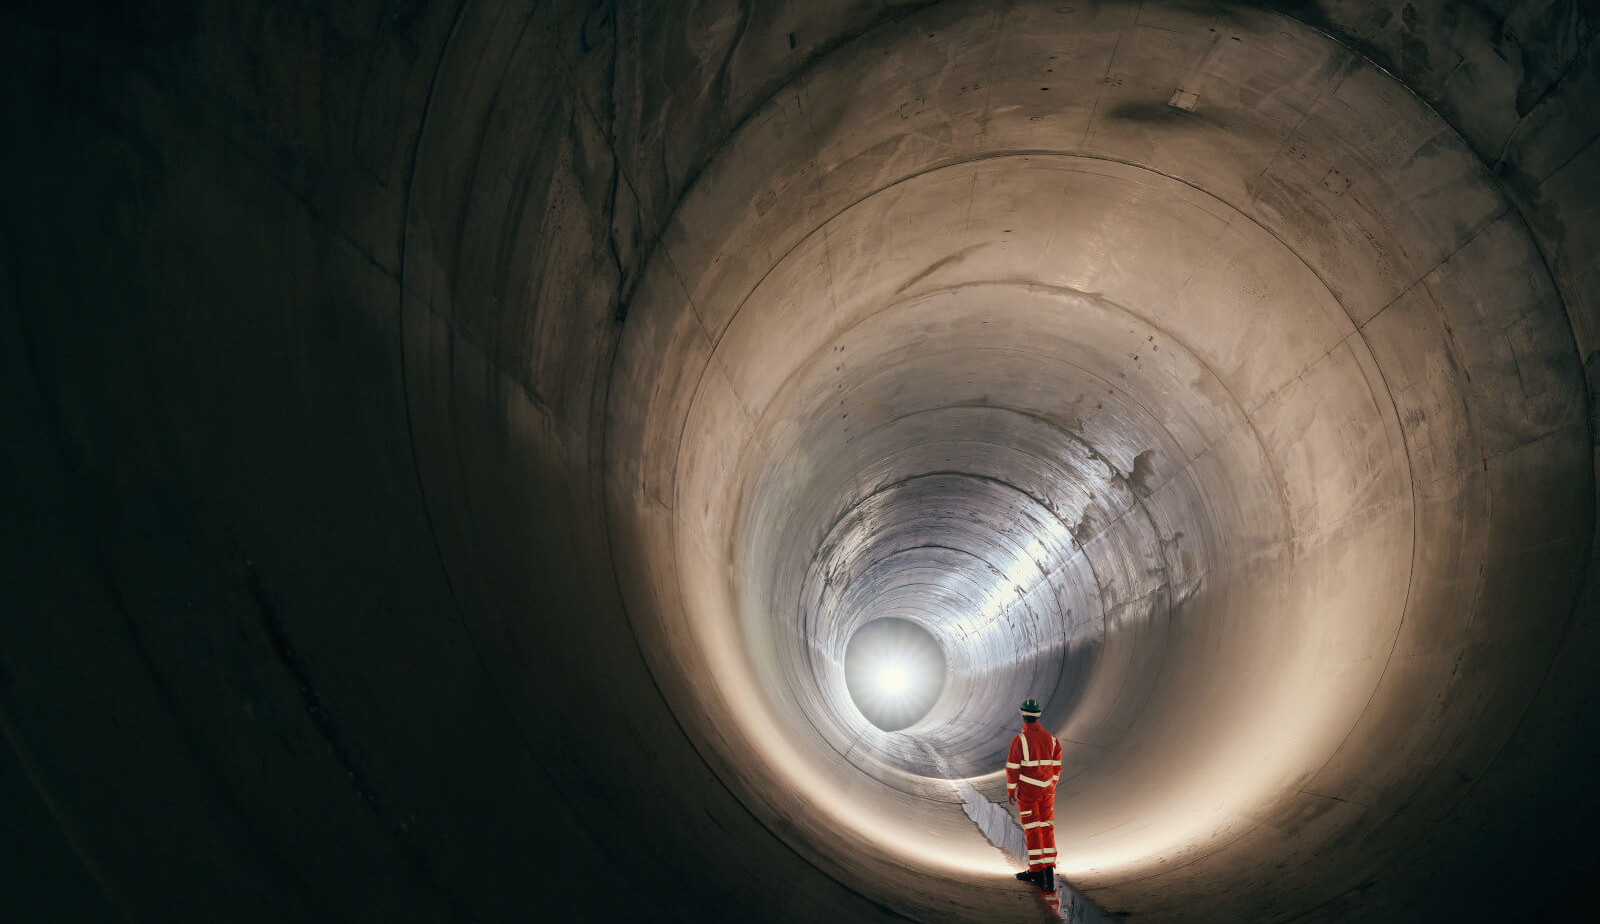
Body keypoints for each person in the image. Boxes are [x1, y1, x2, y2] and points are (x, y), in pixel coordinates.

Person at [1006, 698, 1062, 893]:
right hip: (1047, 792)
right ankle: (1049, 871)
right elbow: (1056, 767)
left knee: (1033, 830)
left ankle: (1037, 872)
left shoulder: (1019, 741)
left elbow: (1013, 767)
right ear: (1038, 716)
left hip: (1029, 793)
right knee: (1046, 828)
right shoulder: (1053, 740)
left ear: (1023, 717)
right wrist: (1050, 785)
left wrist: (1011, 789)